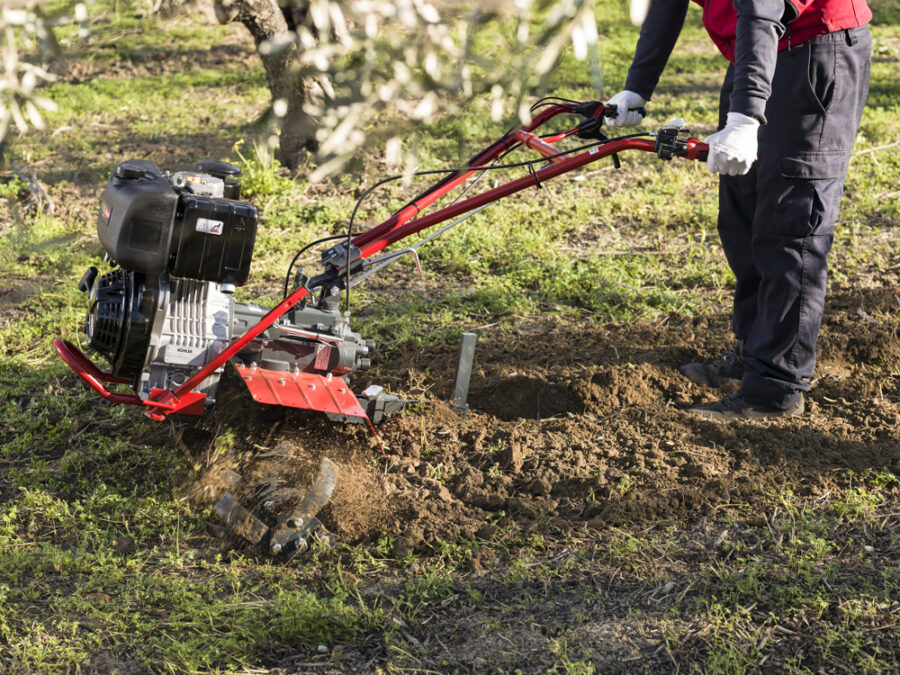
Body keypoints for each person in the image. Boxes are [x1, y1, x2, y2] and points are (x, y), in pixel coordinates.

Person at [606, 0, 872, 421]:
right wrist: (638, 86)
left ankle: (775, 387)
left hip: (814, 48)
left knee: (791, 222)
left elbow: (763, 7)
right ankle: (754, 351)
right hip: (755, 50)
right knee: (741, 214)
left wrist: (746, 118)